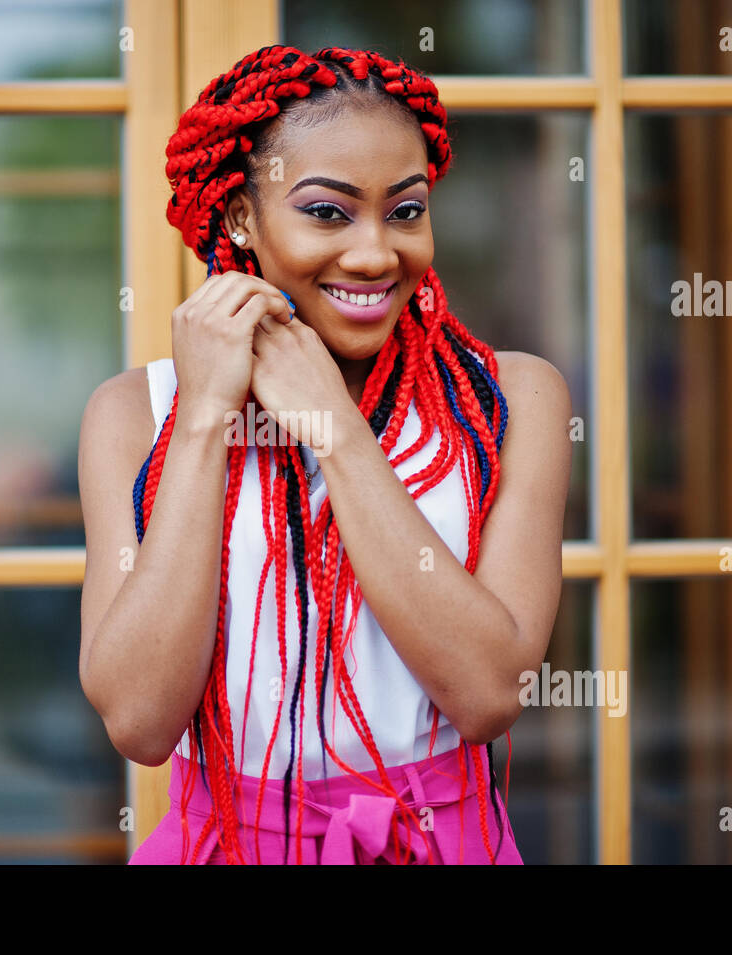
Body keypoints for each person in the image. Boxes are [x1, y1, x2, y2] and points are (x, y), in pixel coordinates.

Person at [78, 44, 572, 864]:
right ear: (241, 216)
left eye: (405, 211)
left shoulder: (508, 399)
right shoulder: (138, 414)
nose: (376, 253)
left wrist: (335, 429)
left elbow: (488, 693)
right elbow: (139, 719)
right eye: (328, 212)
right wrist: (205, 415)